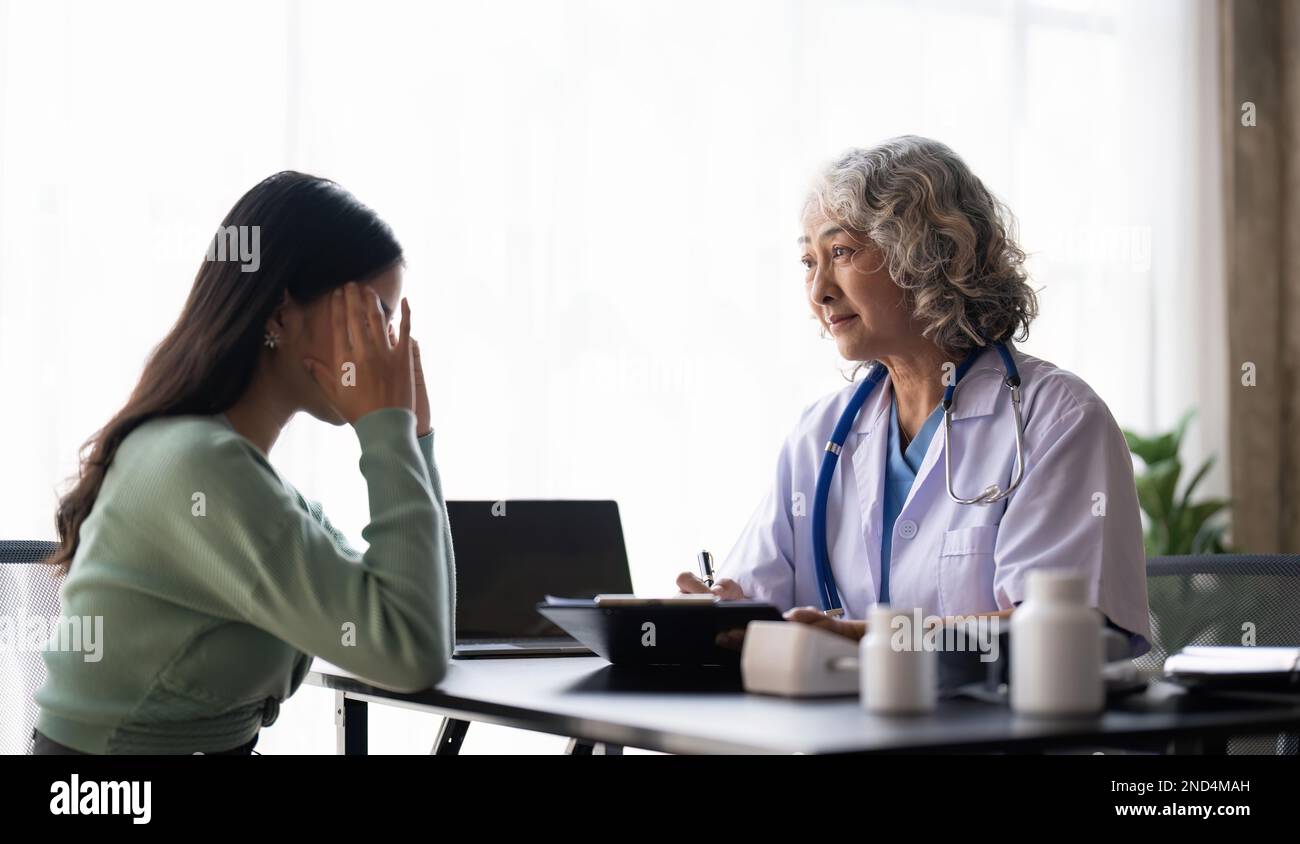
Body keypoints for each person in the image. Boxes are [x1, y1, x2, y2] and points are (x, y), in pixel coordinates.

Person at [678, 136, 1151, 656]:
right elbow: (757, 600)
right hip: (834, 730)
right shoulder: (819, 435)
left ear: (926, 254)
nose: (819, 292)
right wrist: (723, 608)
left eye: (840, 252)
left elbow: (1067, 634)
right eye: (809, 262)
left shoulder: (1057, 419)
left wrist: (873, 639)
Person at [34, 171, 455, 754]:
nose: (389, 346)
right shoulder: (198, 470)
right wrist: (389, 434)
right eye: (374, 316)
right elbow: (411, 651)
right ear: (282, 312)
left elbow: (419, 618)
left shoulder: (243, 479)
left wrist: (416, 435)